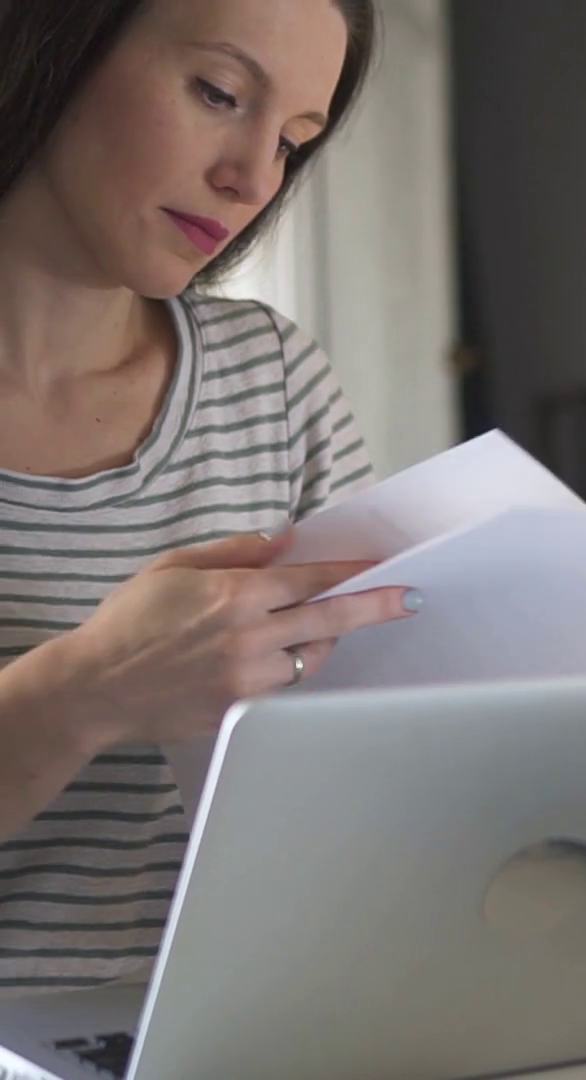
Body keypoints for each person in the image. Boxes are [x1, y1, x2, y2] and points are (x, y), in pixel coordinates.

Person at [0, 0, 418, 996]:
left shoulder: (275, 383)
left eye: (292, 142)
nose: (254, 178)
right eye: (220, 93)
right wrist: (90, 688)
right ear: (56, 39)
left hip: (239, 1025)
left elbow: (365, 774)